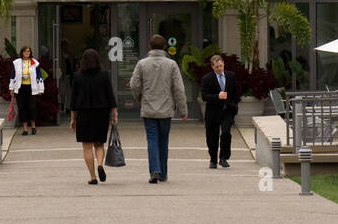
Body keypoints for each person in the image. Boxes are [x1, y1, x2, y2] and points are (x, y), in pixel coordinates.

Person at [128, 34, 187, 184]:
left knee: (152, 140)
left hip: (148, 107)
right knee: (163, 141)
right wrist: (183, 109)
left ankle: (154, 170)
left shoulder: (142, 64)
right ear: (164, 47)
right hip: (166, 108)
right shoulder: (171, 64)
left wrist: (140, 97)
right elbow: (179, 88)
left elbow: (134, 84)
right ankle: (163, 173)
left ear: (150, 46)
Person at [68, 48, 118, 184]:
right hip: (101, 113)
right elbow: (110, 95)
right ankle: (100, 164)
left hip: (84, 114)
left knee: (87, 146)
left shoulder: (77, 76)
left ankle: (93, 176)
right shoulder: (104, 75)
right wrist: (114, 112)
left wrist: (73, 118)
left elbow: (73, 100)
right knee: (99, 144)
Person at [200, 54, 240, 168]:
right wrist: (217, 96)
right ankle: (213, 159)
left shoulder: (231, 76)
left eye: (221, 66)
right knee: (212, 136)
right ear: (212, 67)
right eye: (217, 67)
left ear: (223, 64)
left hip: (228, 110)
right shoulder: (207, 79)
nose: (219, 68)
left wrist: (234, 107)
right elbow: (204, 96)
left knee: (226, 133)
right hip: (213, 112)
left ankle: (223, 157)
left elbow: (235, 93)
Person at [8, 45, 45, 135]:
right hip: (20, 88)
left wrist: (41, 89)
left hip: (32, 88)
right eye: (25, 51)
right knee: (22, 108)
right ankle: (25, 129)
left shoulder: (34, 62)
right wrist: (11, 88)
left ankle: (33, 126)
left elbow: (39, 76)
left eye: (28, 51)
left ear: (30, 53)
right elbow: (12, 76)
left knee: (32, 107)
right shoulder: (16, 62)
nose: (27, 53)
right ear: (22, 53)